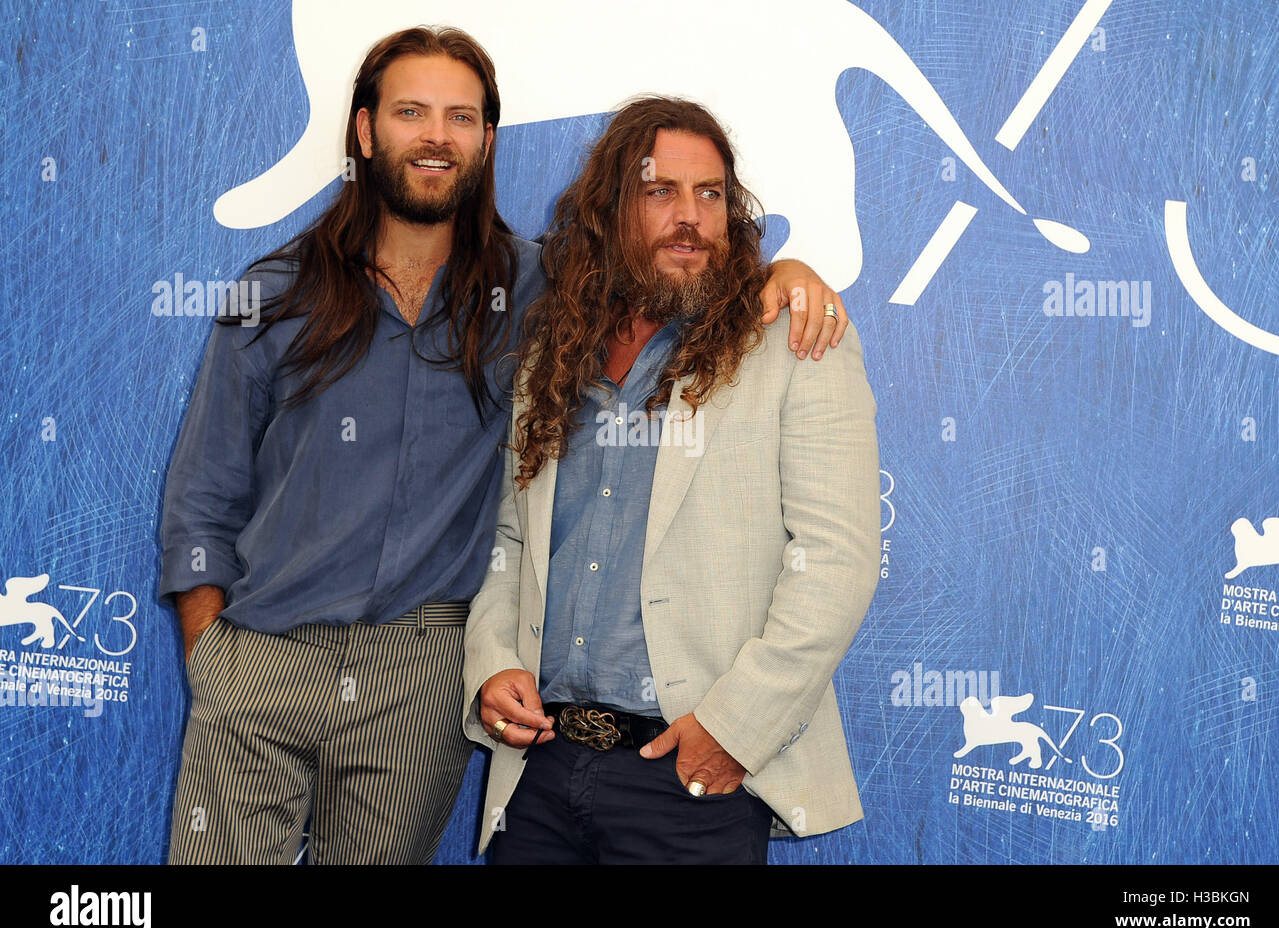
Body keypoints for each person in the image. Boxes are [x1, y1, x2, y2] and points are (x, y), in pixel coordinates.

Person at [160, 27, 849, 864]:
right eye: (412, 111)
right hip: (262, 654)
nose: (436, 136)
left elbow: (667, 251)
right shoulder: (267, 297)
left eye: (460, 116)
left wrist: (788, 270)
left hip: (419, 673)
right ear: (366, 130)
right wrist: (218, 664)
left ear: (487, 141)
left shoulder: (537, 289)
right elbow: (203, 495)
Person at [463, 96, 880, 864]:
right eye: (660, 192)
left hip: (690, 780)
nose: (689, 216)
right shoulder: (552, 353)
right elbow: (509, 541)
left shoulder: (792, 341)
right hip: (544, 771)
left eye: (710, 194)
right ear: (611, 212)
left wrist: (733, 729)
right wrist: (493, 664)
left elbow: (838, 563)